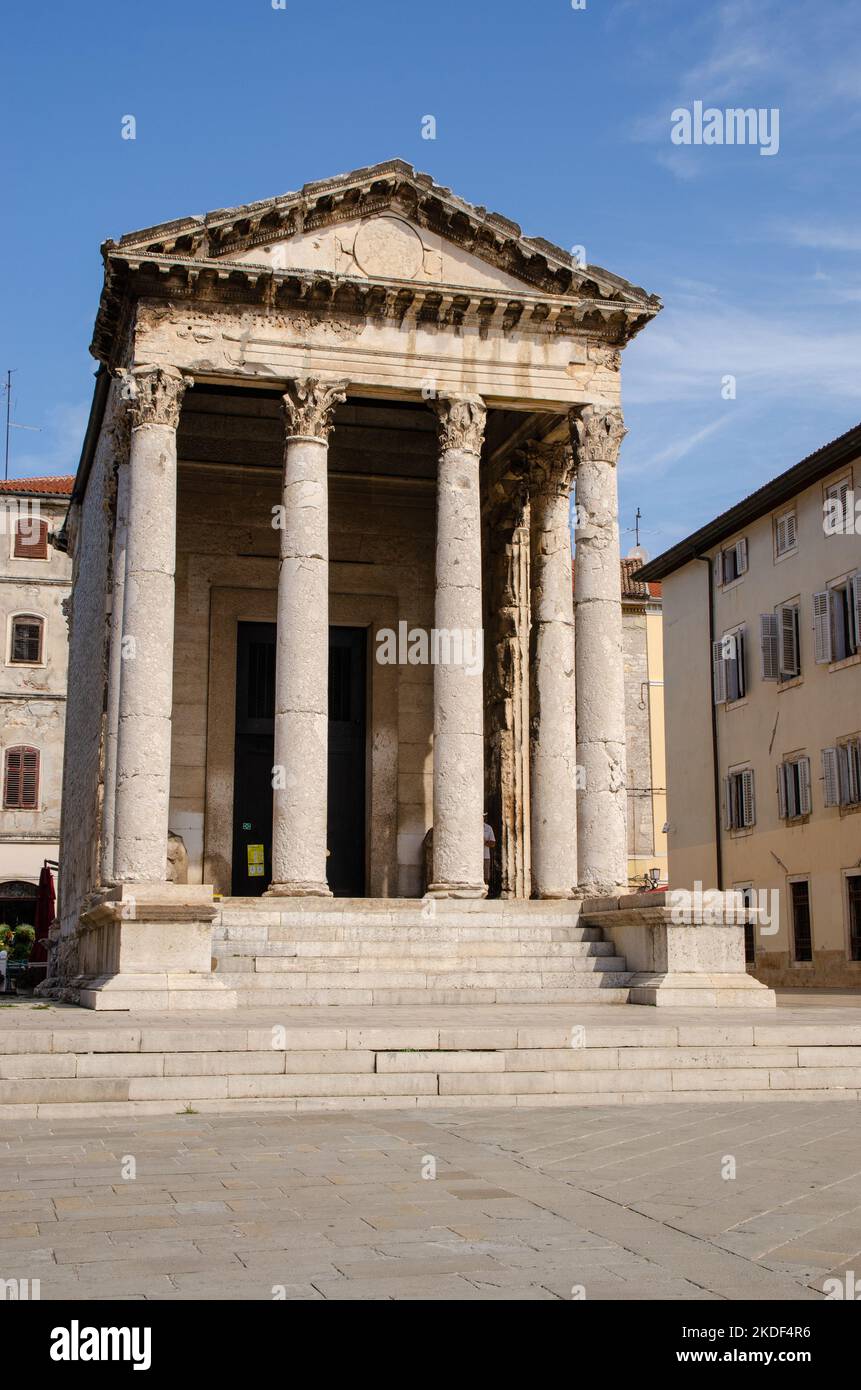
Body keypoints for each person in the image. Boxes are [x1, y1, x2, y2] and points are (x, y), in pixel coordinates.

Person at [483, 815, 496, 891]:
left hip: (485, 855)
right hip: (474, 857)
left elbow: (493, 843)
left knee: (486, 875)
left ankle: (485, 892)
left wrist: (484, 842)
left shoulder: (488, 828)